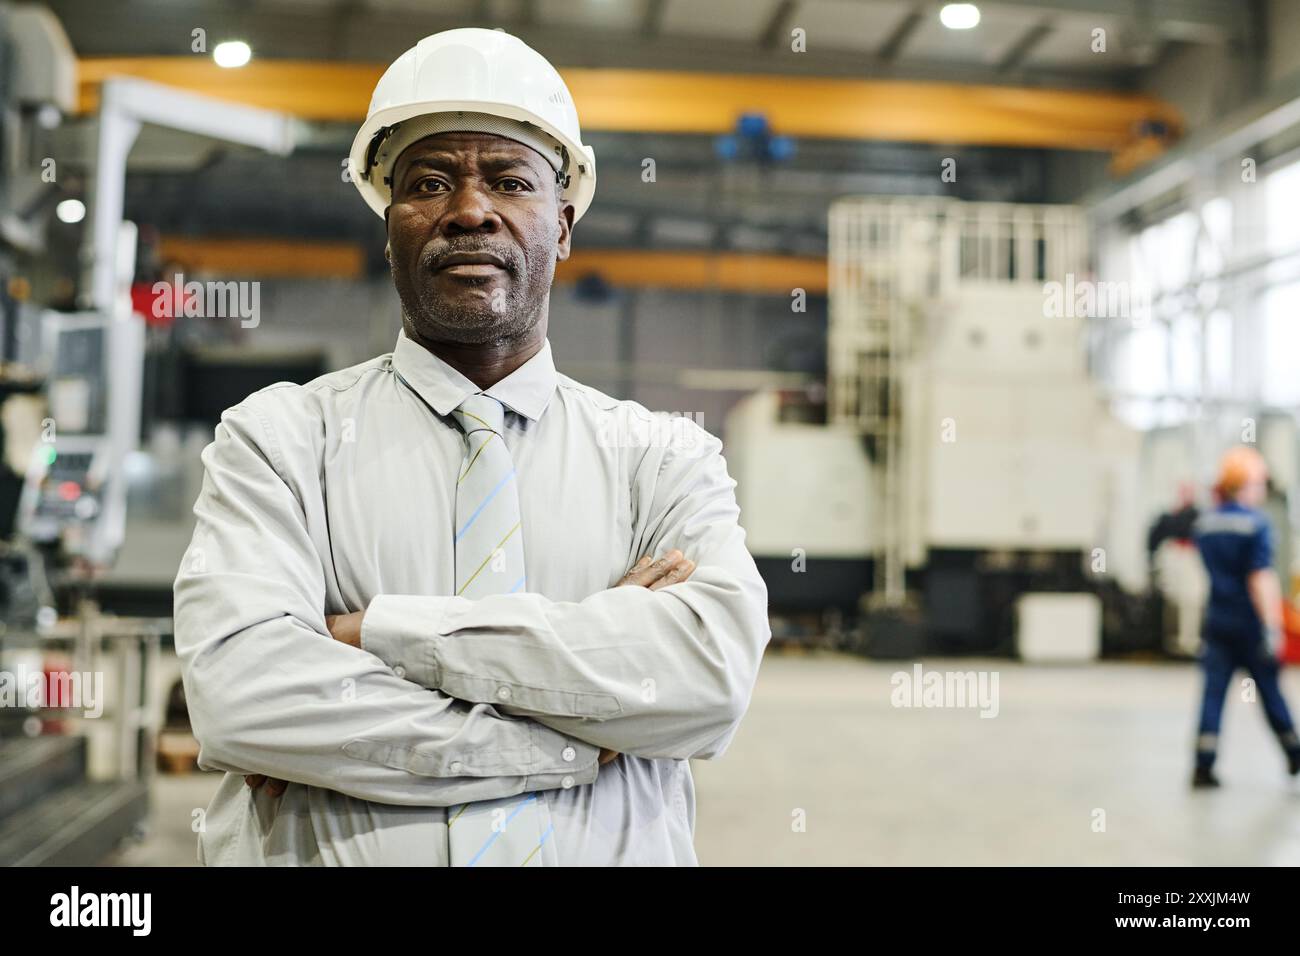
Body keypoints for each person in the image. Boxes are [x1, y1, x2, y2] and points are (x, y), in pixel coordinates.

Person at [173, 28, 771, 865]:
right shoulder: (279, 440)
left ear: (561, 226)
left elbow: (703, 685)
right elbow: (245, 700)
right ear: (390, 227)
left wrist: (372, 634)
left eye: (511, 181)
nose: (469, 209)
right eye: (428, 182)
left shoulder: (663, 458)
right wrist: (565, 736)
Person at [1190, 446, 1300, 788]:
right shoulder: (1256, 523)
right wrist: (1272, 626)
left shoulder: (1205, 524)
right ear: (1247, 484)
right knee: (1268, 689)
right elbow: (1260, 577)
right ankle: (1294, 754)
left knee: (1213, 693)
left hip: (1217, 620)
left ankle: (1203, 765)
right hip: (1250, 624)